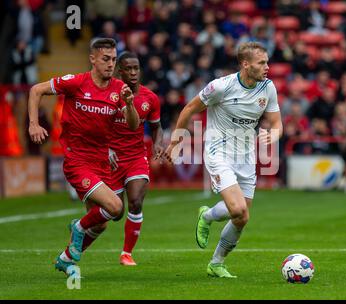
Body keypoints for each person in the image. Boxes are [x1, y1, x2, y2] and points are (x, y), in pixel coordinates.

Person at [162, 42, 283, 278]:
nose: (267, 67)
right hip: (219, 153)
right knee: (237, 208)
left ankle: (216, 262)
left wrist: (274, 134)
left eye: (267, 62)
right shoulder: (220, 87)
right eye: (262, 63)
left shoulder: (268, 88)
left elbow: (277, 122)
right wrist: (175, 143)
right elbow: (188, 109)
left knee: (242, 217)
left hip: (247, 156)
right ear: (246, 64)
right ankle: (206, 217)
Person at [27, 38, 139, 278]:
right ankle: (77, 227)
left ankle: (66, 259)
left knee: (101, 222)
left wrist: (129, 105)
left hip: (102, 161)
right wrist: (34, 124)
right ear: (93, 59)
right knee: (116, 207)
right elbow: (36, 90)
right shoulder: (76, 82)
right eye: (105, 59)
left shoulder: (119, 89)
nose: (111, 64)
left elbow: (133, 125)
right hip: (77, 160)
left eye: (113, 60)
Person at [81, 51, 163, 266]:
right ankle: (76, 242)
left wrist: (158, 143)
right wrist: (105, 148)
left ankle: (126, 253)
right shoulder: (107, 94)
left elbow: (156, 127)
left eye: (136, 68)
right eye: (128, 68)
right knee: (113, 213)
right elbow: (94, 126)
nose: (134, 72)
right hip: (111, 161)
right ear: (120, 71)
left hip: (136, 157)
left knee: (136, 202)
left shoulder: (150, 98)